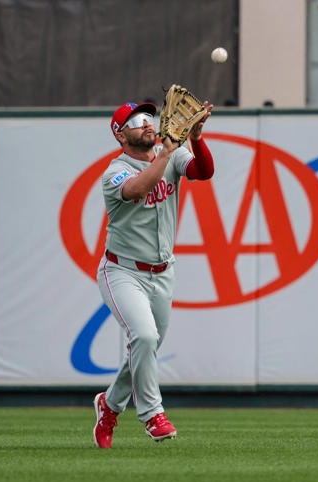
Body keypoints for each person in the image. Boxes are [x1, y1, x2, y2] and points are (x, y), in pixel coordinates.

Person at [93, 99, 215, 448]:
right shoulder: (115, 171)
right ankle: (152, 415)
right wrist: (166, 152)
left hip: (162, 273)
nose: (147, 124)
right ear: (120, 135)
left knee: (145, 348)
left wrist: (196, 138)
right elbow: (138, 188)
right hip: (122, 271)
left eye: (149, 117)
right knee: (144, 338)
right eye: (136, 122)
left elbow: (203, 172)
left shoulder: (172, 154)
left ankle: (110, 406)